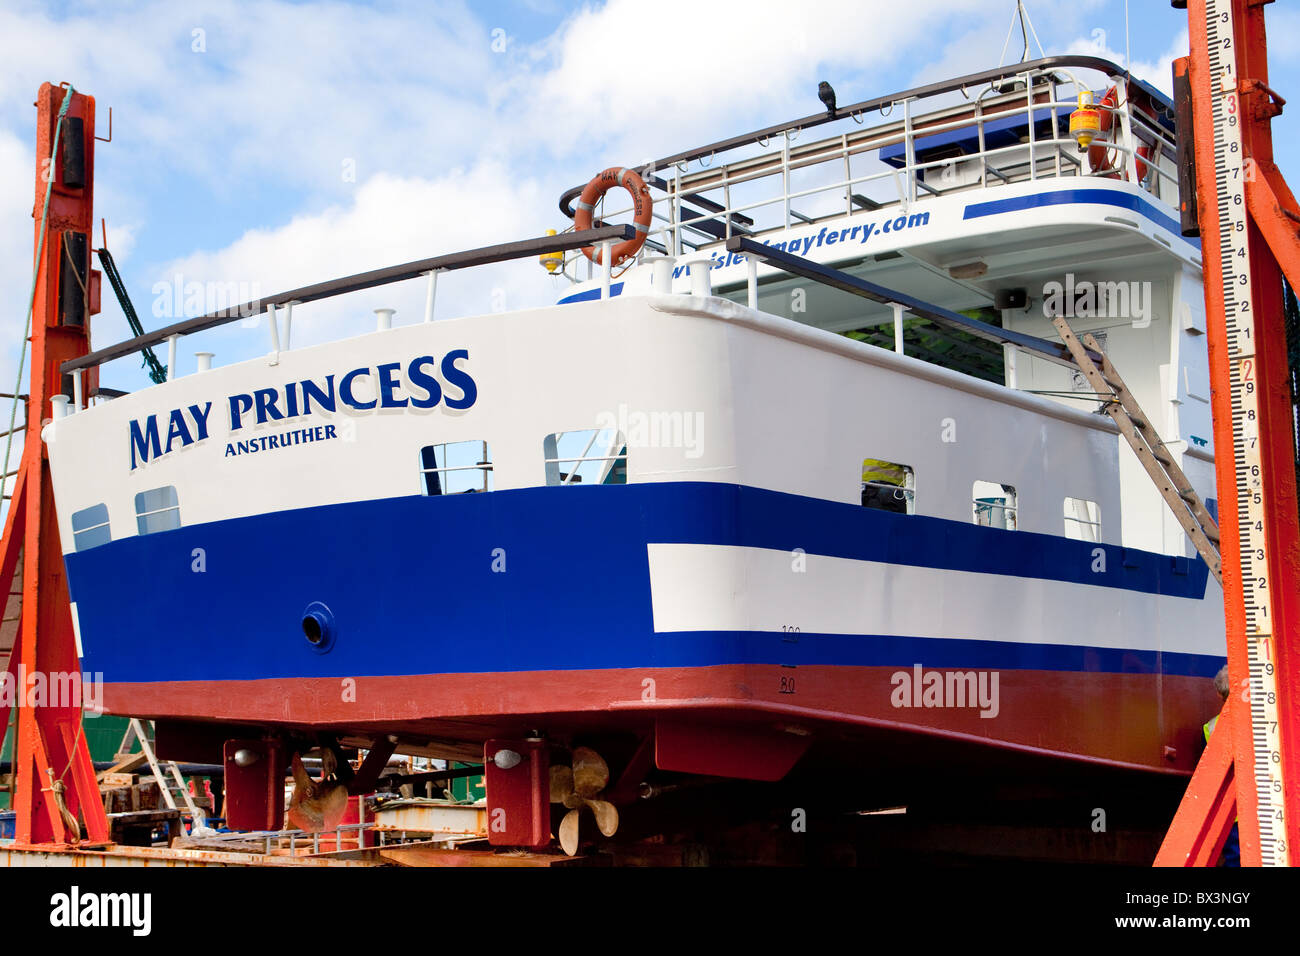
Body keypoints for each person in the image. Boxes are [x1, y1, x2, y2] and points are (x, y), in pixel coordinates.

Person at [1205, 664, 1239, 867]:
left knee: (1236, 860)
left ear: (1219, 694)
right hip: (1266, 807)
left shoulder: (1209, 728)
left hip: (1231, 815)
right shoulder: (1266, 720)